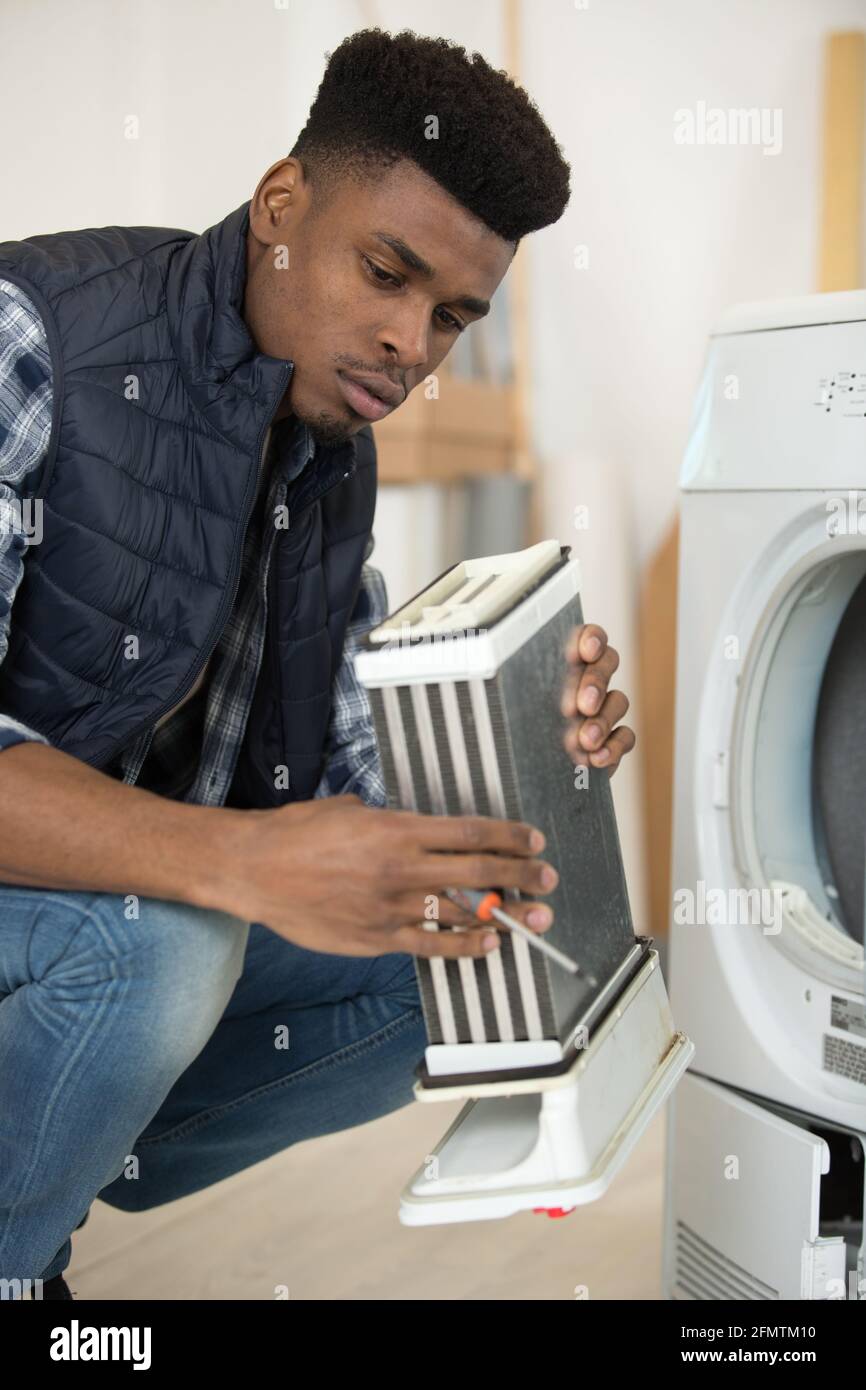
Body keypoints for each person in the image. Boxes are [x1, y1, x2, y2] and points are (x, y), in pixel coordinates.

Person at [0, 27, 635, 1300]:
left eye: (450, 316)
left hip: (94, 924)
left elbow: (354, 761)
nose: (412, 344)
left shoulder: (329, 447)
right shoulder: (34, 336)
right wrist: (240, 863)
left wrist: (517, 746)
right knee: (165, 940)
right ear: (283, 203)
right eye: (386, 273)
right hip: (89, 921)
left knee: (452, 938)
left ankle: (42, 1193)